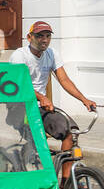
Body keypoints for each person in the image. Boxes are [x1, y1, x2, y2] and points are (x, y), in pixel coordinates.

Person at [11, 21, 96, 180]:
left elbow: (64, 80)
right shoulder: (19, 55)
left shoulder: (52, 54)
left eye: (48, 36)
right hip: (19, 106)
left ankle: (66, 181)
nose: (44, 40)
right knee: (36, 141)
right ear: (29, 37)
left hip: (40, 107)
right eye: (39, 36)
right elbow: (20, 84)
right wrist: (42, 97)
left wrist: (84, 100)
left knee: (70, 131)